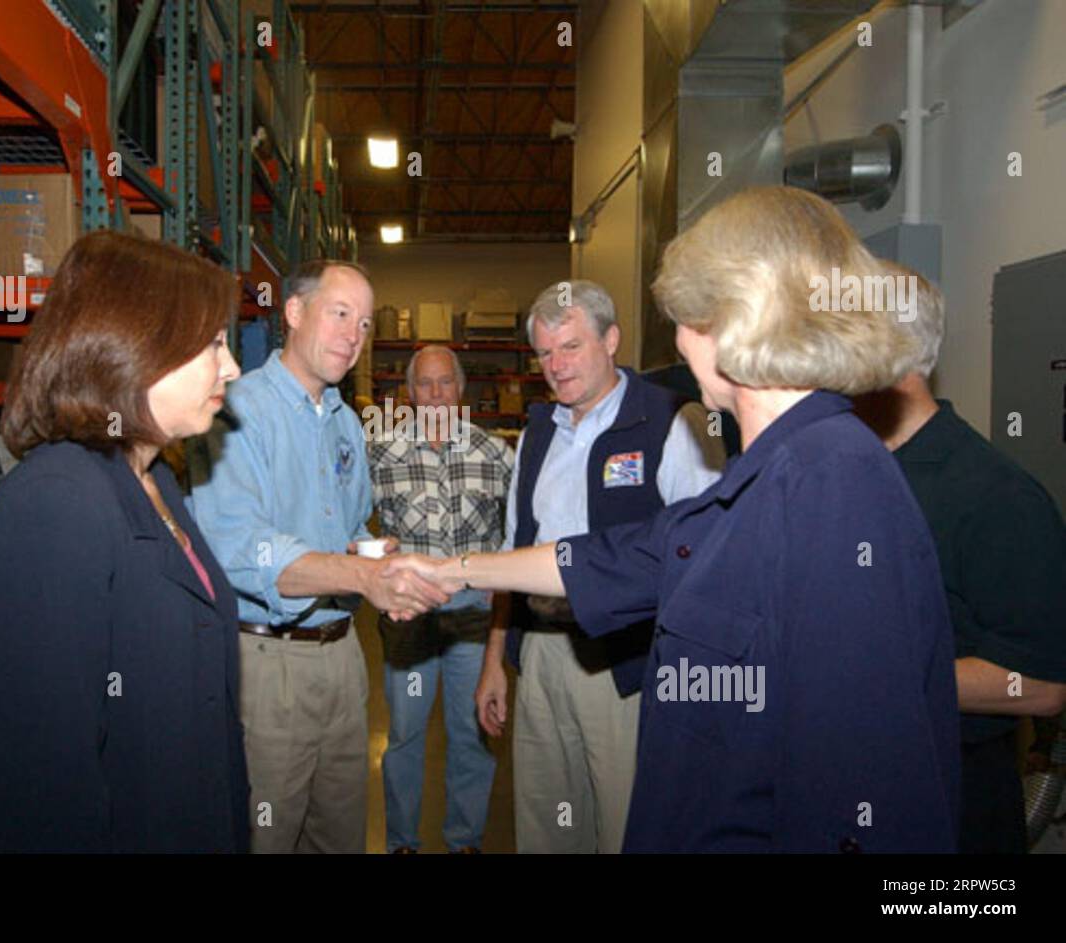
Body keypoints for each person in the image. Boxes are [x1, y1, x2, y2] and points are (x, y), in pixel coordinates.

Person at [390, 186, 962, 852]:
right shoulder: (770, 470)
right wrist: (446, 568)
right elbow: (616, 557)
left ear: (742, 322)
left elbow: (861, 781)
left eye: (691, 318)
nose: (682, 341)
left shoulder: (834, 481)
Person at [0, 230, 248, 853]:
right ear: (136, 347)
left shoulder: (155, 483)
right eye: (213, 344)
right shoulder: (56, 502)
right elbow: (43, 783)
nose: (230, 367)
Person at [188, 259, 449, 854]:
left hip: (342, 657)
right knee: (267, 833)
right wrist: (363, 574)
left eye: (363, 324)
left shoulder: (344, 423)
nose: (353, 336)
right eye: (340, 314)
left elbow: (351, 526)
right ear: (295, 313)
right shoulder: (234, 412)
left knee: (339, 833)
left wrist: (378, 557)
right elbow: (240, 547)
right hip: (268, 661)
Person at [475, 279, 724, 854]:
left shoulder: (671, 422)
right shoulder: (538, 432)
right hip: (541, 653)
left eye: (571, 347)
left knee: (624, 823)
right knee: (546, 820)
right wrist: (496, 659)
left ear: (611, 339)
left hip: (623, 663)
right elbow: (517, 550)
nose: (556, 367)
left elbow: (703, 562)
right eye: (545, 353)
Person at [854, 263, 1066, 853]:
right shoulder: (845, 471)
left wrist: (861, 677)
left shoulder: (994, 495)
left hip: (951, 799)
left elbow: (1042, 685)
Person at [368, 345, 514, 854]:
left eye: (444, 383)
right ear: (409, 394)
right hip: (410, 623)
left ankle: (465, 842)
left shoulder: (495, 454)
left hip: (473, 621)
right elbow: (346, 526)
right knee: (405, 736)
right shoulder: (381, 455)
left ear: (460, 389)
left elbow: (516, 538)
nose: (435, 395)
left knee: (472, 735)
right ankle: (402, 843)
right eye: (424, 385)